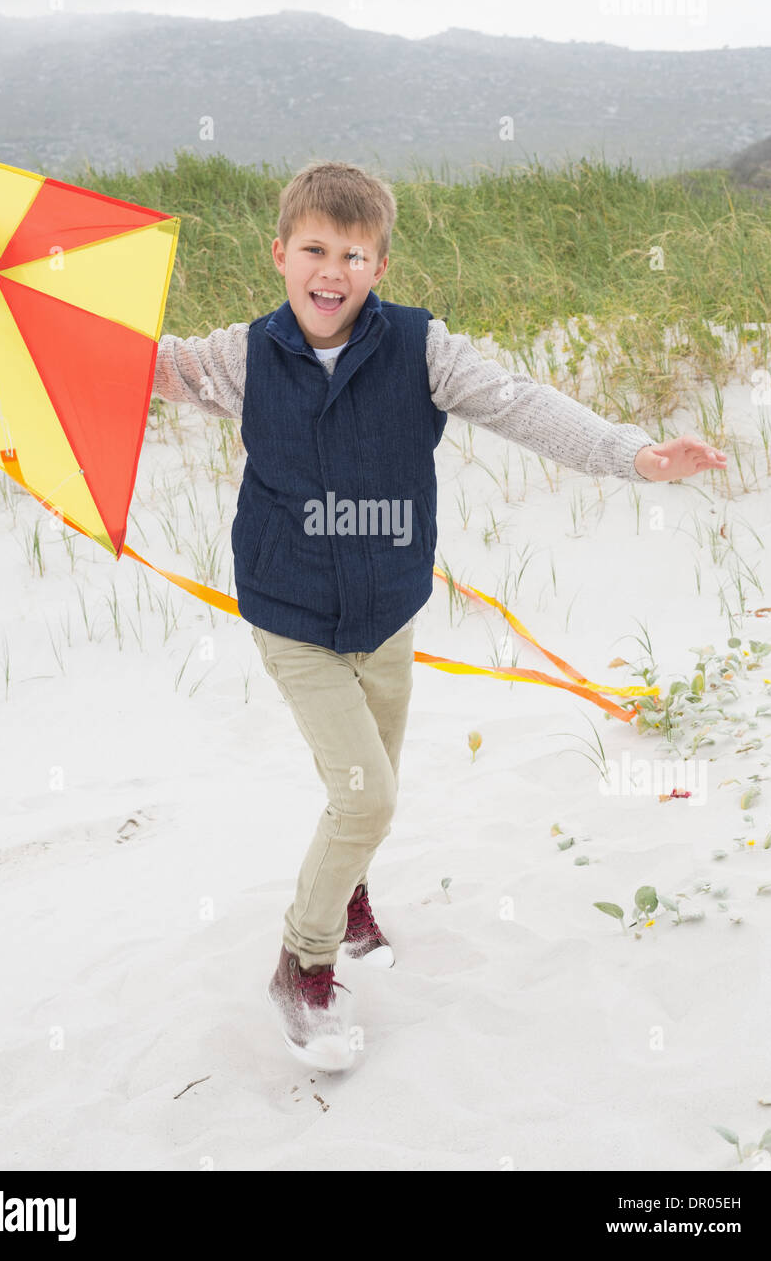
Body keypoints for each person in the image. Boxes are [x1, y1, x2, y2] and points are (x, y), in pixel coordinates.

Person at [151, 159, 727, 1072]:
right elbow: (147, 365)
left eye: (354, 253)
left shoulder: (422, 350)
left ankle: (347, 901)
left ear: (379, 266)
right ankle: (300, 963)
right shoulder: (239, 354)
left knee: (367, 784)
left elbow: (521, 405)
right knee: (367, 795)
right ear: (280, 255)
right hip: (289, 610)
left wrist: (636, 455)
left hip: (387, 609)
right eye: (314, 249)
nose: (331, 269)